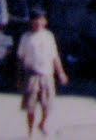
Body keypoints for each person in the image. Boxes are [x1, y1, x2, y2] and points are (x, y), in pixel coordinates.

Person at [16, 9, 68, 137]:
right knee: (31, 106)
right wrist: (19, 77)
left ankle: (42, 124)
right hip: (31, 74)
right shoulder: (26, 37)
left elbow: (55, 56)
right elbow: (20, 59)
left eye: (40, 20)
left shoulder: (49, 36)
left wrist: (61, 73)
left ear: (44, 22)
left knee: (47, 106)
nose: (38, 23)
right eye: (35, 21)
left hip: (47, 75)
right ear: (31, 22)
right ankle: (30, 133)